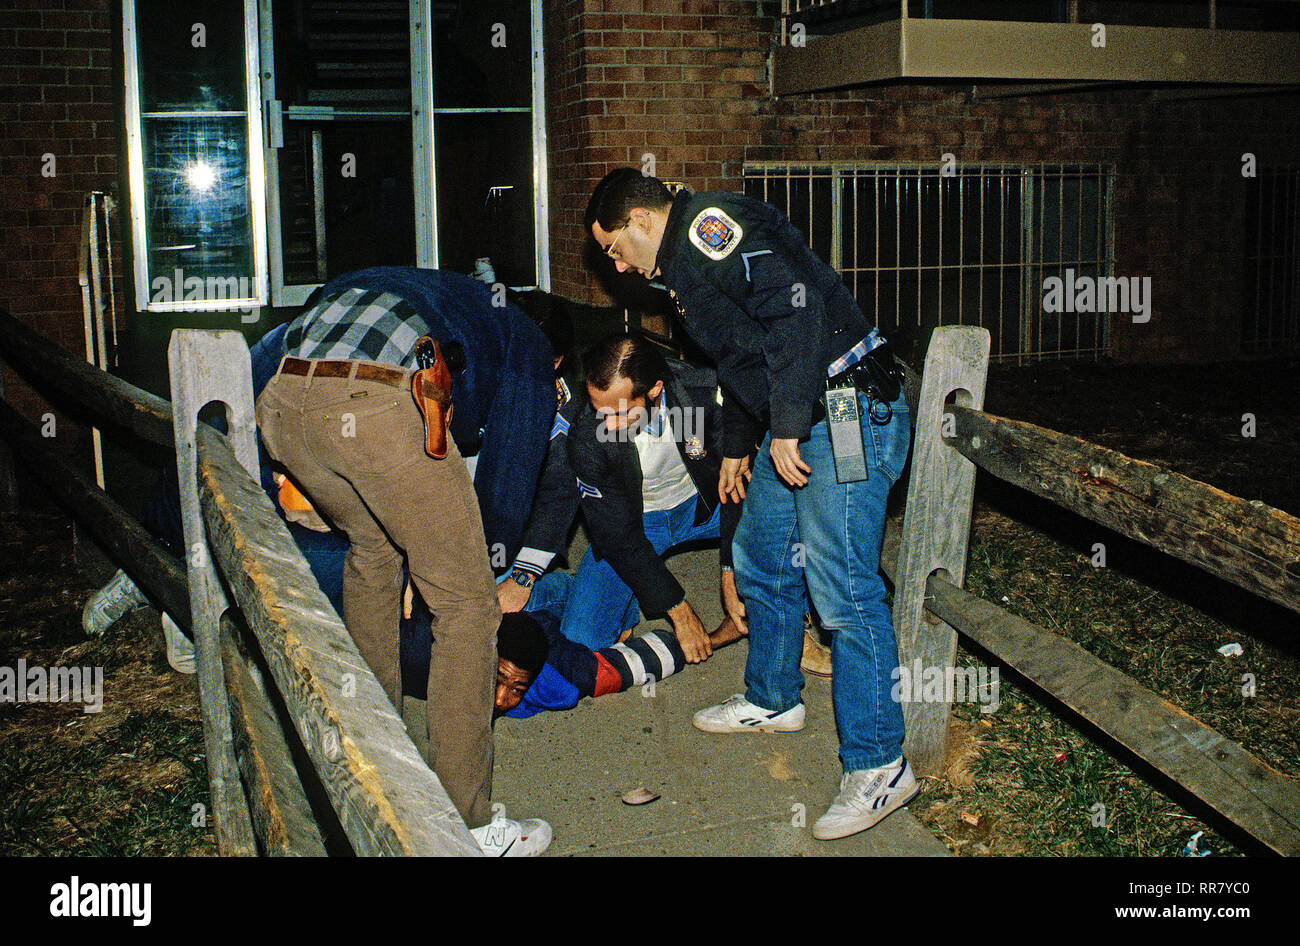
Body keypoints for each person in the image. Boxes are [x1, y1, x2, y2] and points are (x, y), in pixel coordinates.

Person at [585, 169, 916, 841]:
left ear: (642, 222)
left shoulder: (709, 233)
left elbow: (796, 314)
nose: (616, 264)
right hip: (800, 416)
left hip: (847, 412)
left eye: (617, 247)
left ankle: (881, 765)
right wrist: (739, 441)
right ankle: (772, 697)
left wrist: (786, 426)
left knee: (844, 592)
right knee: (759, 552)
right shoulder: (680, 264)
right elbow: (745, 357)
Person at [253, 267, 552, 854]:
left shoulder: (422, 287)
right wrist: (477, 560)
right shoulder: (528, 337)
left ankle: (372, 757)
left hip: (285, 406)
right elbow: (511, 471)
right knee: (465, 608)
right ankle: (465, 828)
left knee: (373, 551)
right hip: (374, 402)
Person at [498, 332, 745, 664]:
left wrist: (730, 570)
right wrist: (679, 610)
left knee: (783, 517)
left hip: (706, 507)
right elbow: (618, 535)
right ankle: (572, 590)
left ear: (655, 389)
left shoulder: (702, 394)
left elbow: (739, 490)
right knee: (583, 640)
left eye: (620, 413)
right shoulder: (586, 434)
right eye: (601, 411)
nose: (608, 425)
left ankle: (787, 625)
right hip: (639, 523)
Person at [493, 578, 745, 719]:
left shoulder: (562, 682)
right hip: (494, 618)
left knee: (587, 638)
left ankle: (606, 598)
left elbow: (631, 665)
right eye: (497, 680)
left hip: (544, 619)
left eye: (517, 688)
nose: (500, 700)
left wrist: (713, 639)